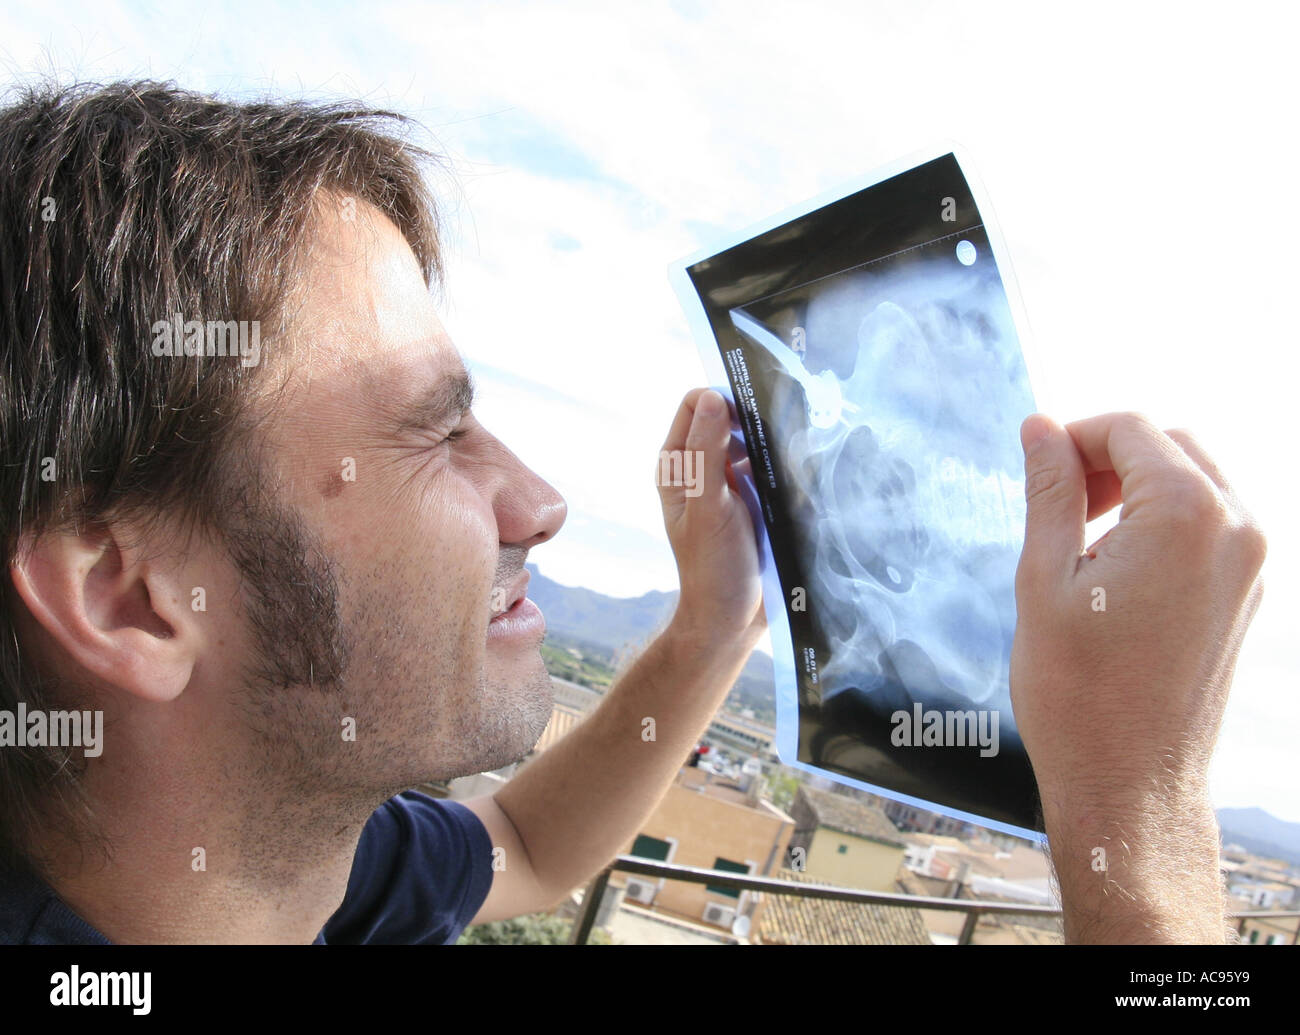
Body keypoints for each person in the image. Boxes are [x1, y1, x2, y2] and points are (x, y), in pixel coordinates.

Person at [0, 81, 1266, 945]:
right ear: (131, 594)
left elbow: (525, 847)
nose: (539, 504)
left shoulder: (269, 881)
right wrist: (1140, 820)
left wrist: (716, 622)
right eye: (434, 434)